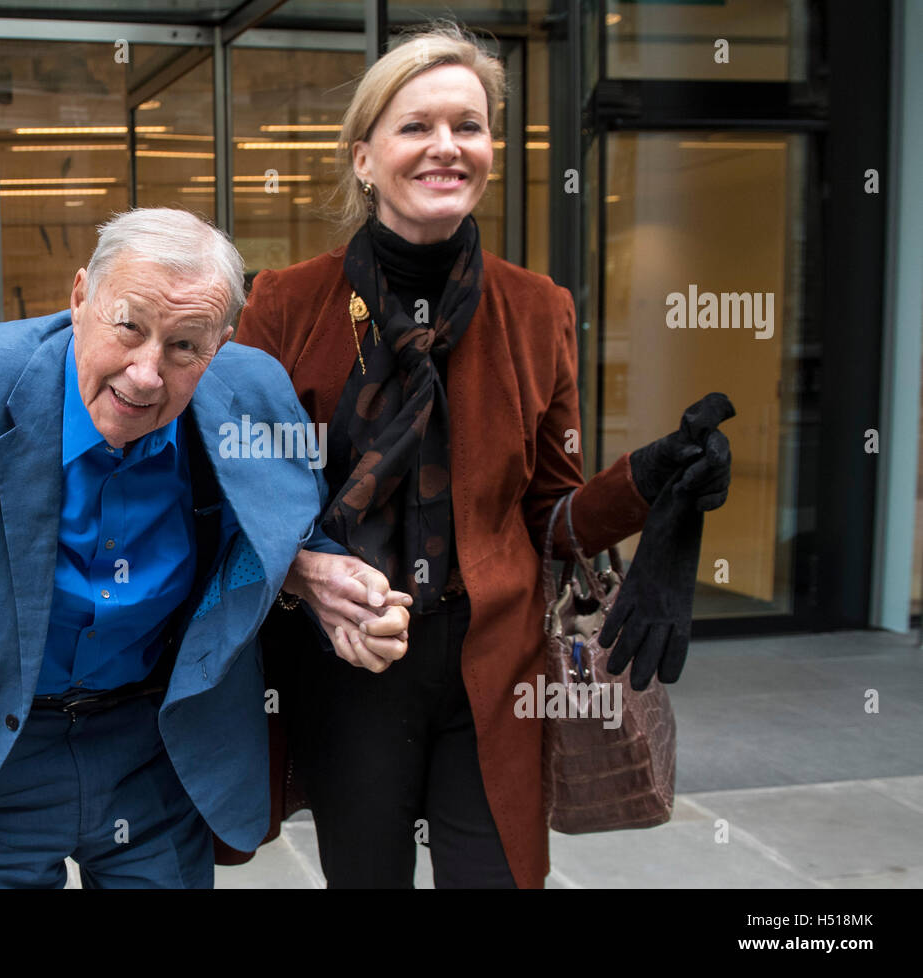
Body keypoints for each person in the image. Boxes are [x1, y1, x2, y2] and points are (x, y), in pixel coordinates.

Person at [0, 208, 410, 889]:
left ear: (219, 346)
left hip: (152, 750)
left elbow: (278, 518)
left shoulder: (251, 392)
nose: (145, 375)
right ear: (81, 298)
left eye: (185, 347)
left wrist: (310, 569)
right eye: (129, 326)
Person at [237, 24, 732, 888]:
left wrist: (650, 481)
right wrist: (310, 579)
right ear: (364, 157)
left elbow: (553, 514)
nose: (446, 147)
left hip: (494, 665)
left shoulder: (537, 309)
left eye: (468, 126)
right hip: (348, 662)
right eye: (416, 126)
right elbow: (247, 496)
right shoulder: (288, 306)